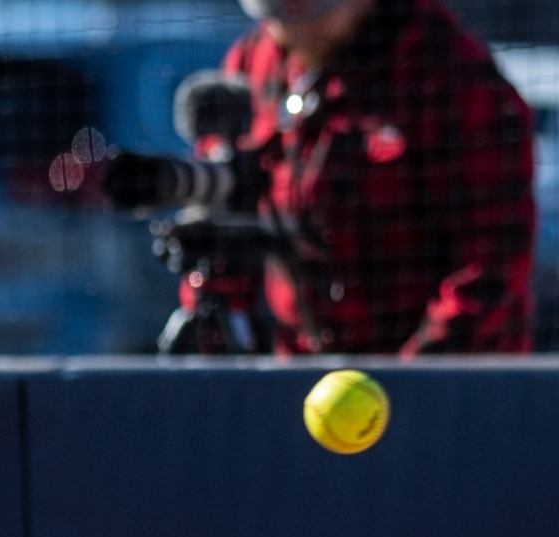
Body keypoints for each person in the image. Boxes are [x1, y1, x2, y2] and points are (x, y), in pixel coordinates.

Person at [205, 0, 534, 355]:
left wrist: (413, 380)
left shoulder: (452, 75)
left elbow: (490, 263)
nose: (298, 31)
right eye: (280, 16)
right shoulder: (254, 63)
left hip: (444, 377)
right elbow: (219, 214)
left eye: (313, 13)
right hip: (304, 374)